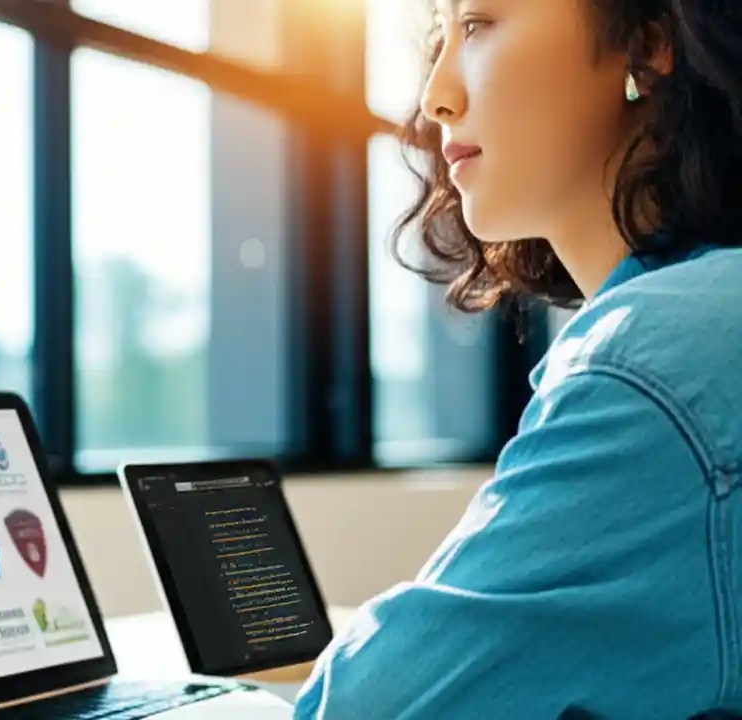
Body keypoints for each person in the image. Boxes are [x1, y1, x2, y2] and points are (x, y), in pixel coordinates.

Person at [294, 0, 742, 717]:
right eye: (440, 38)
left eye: (476, 26)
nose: (434, 96)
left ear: (650, 42)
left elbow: (372, 708)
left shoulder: (655, 365)